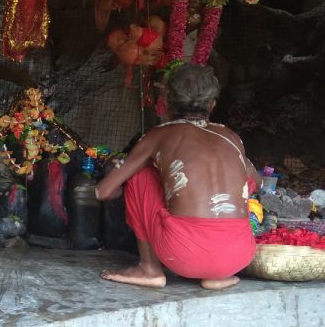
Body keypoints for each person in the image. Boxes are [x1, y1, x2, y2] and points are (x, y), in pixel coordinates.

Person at [94, 63, 261, 289]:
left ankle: (149, 269)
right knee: (241, 180)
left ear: (167, 103)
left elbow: (104, 191)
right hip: (239, 256)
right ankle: (217, 274)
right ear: (212, 105)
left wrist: (117, 165)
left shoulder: (159, 135)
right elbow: (257, 183)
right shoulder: (231, 137)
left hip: (183, 255)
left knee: (140, 173)